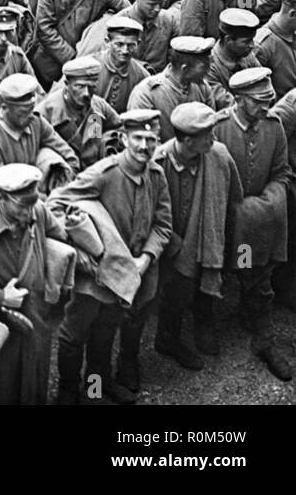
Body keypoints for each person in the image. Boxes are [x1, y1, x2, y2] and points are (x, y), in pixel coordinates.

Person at [51, 109, 174, 404]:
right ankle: (68, 391)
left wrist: (146, 259)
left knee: (104, 335)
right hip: (93, 277)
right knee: (74, 335)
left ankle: (96, 388)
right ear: (124, 139)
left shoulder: (156, 176)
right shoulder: (104, 173)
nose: (145, 146)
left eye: (151, 140)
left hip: (128, 274)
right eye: (138, 139)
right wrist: (80, 250)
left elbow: (163, 225)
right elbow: (55, 203)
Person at [0, 164, 75, 404]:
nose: (29, 212)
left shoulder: (37, 209)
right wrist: (2, 297)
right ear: (0, 198)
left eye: (32, 203)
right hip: (3, 327)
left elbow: (58, 235)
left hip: (37, 318)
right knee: (3, 389)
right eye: (22, 206)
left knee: (35, 384)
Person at [209, 68, 293, 379]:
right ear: (238, 99)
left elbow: (282, 172)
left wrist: (264, 203)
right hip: (221, 221)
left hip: (253, 224)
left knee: (256, 276)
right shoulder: (217, 128)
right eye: (259, 101)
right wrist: (233, 209)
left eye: (269, 99)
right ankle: (202, 327)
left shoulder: (273, 126)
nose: (266, 107)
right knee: (210, 278)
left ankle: (263, 337)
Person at [151, 103, 241, 372]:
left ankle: (204, 322)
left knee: (208, 277)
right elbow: (149, 211)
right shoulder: (159, 162)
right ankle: (167, 339)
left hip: (210, 236)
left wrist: (218, 232)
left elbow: (234, 195)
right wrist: (176, 245)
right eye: (207, 135)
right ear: (187, 139)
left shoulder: (219, 155)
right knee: (176, 293)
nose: (213, 138)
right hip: (172, 244)